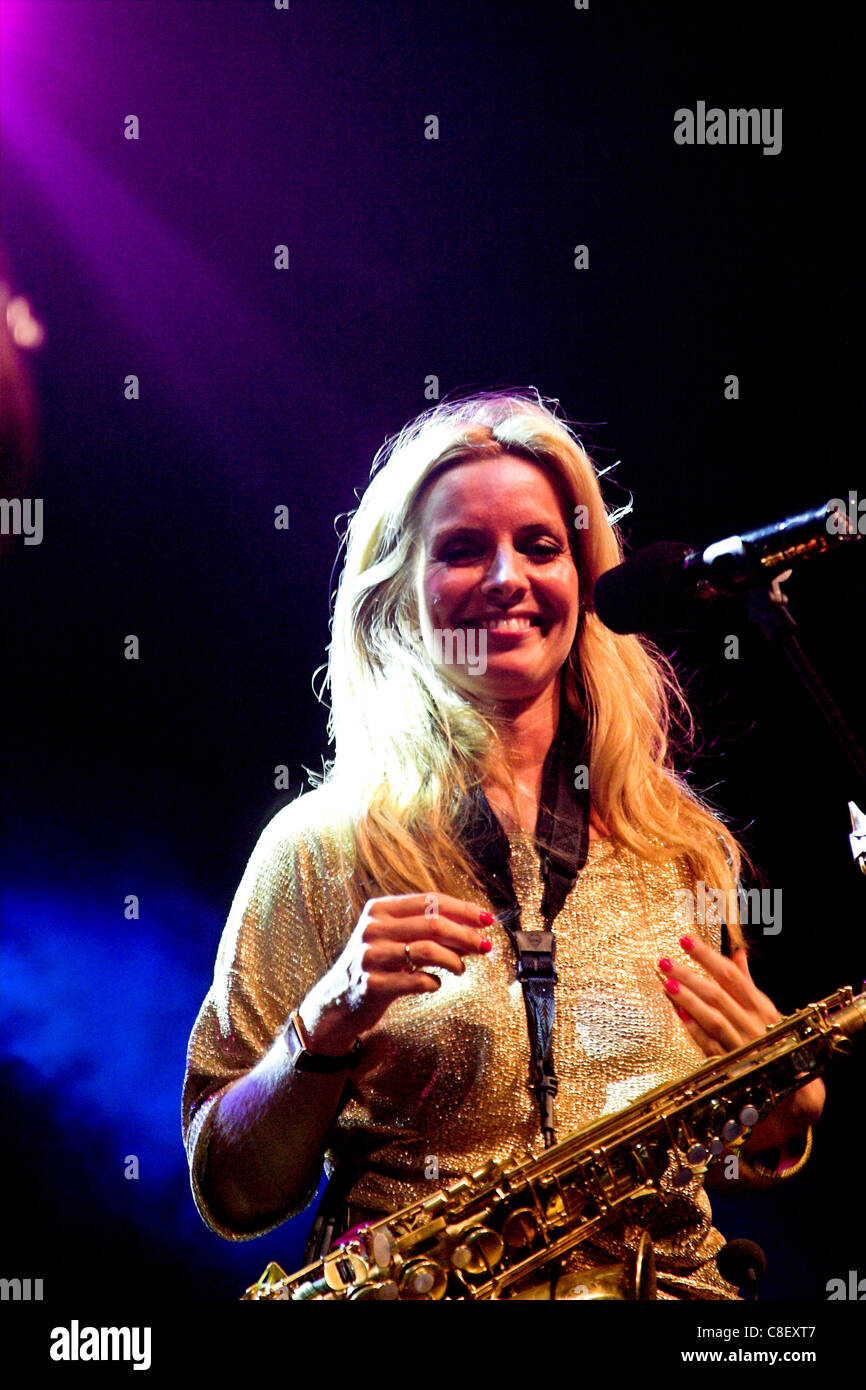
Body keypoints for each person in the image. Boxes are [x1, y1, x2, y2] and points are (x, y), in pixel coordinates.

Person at [182, 388, 824, 1299]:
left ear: (588, 582)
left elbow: (696, 1159)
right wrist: (324, 1023)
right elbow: (232, 1192)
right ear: (398, 594)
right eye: (461, 550)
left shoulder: (681, 848)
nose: (507, 578)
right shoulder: (318, 847)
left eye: (541, 545)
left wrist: (774, 1120)